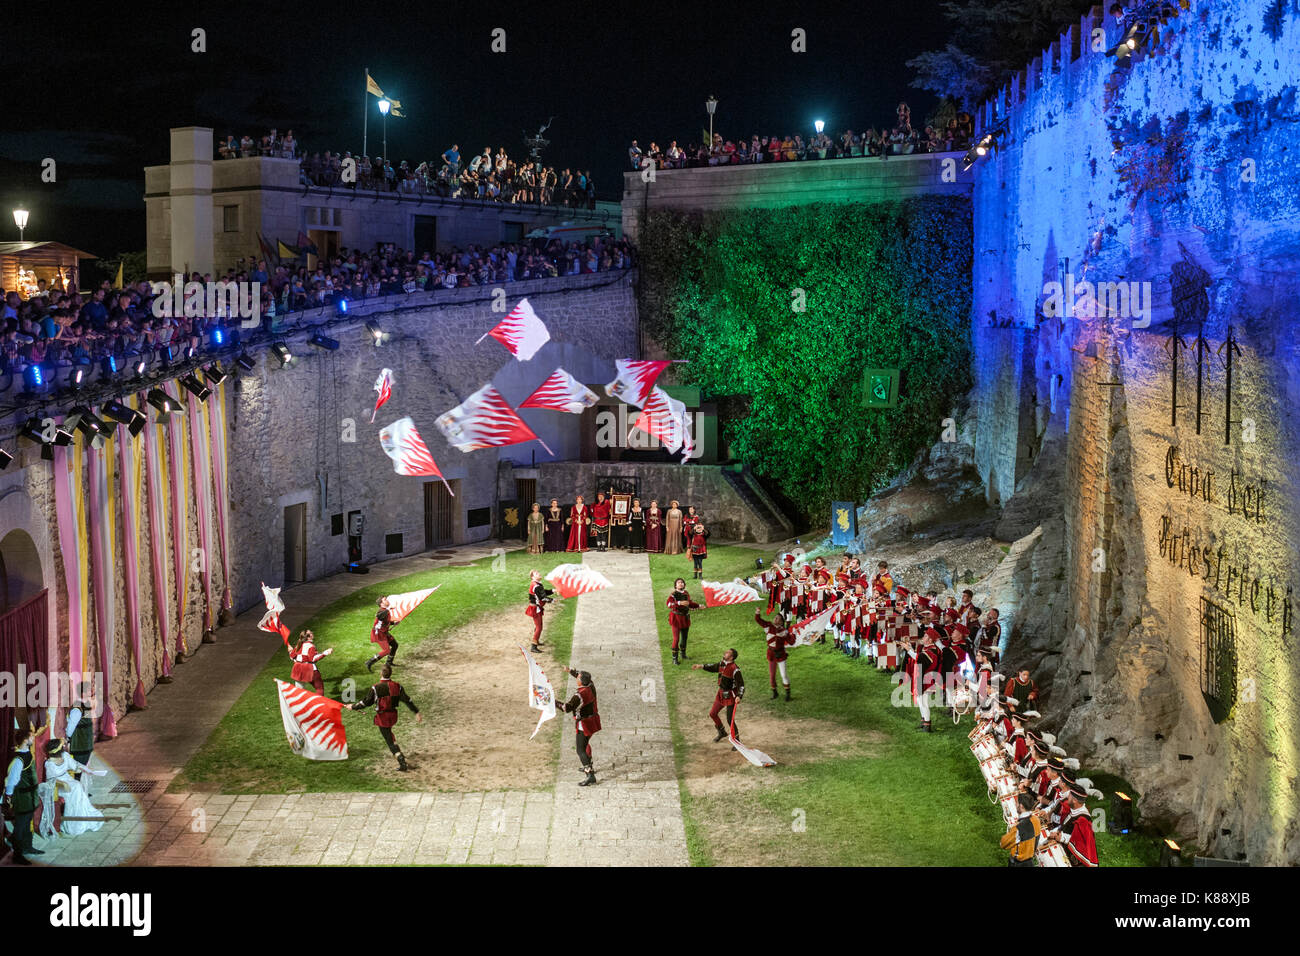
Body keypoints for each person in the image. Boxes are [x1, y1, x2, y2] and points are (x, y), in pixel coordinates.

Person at [348, 664, 422, 771]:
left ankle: (401, 761)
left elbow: (366, 703)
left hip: (383, 718)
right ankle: (400, 754)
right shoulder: (397, 686)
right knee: (390, 735)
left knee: (389, 740)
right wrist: (416, 712)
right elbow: (407, 700)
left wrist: (353, 706)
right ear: (390, 673)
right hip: (393, 716)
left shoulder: (376, 688)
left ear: (381, 673)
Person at [39, 739, 107, 837]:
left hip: (68, 780)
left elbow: (75, 765)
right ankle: (72, 825)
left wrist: (86, 769)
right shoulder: (49, 764)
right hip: (58, 786)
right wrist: (63, 784)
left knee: (77, 786)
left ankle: (83, 817)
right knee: (76, 788)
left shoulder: (65, 756)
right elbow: (51, 780)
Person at [2, 722, 45, 864]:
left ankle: (27, 846)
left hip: (30, 796)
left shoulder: (26, 754)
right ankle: (18, 854)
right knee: (21, 825)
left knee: (27, 823)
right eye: (32, 736)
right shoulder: (18, 760)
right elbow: (12, 781)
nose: (34, 739)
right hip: (22, 798)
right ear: (26, 740)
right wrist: (8, 797)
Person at [557, 667, 601, 786]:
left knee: (580, 749)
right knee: (585, 744)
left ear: (581, 681)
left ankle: (589, 774)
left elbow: (567, 708)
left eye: (578, 677)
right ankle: (589, 765)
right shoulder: (591, 685)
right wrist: (570, 671)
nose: (577, 677)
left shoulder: (580, 695)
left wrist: (553, 702)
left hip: (585, 724)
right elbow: (580, 676)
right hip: (593, 720)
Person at [694, 648, 745, 743]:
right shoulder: (722, 663)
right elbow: (714, 667)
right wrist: (701, 666)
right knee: (713, 714)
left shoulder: (735, 669)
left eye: (727, 653)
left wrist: (739, 696)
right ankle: (722, 732)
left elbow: (741, 685)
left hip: (731, 696)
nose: (725, 653)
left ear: (731, 657)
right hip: (721, 693)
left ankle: (737, 740)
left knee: (730, 720)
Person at [1047, 781, 1099, 866]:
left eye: (1069, 796)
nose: (1067, 797)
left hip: (1075, 860)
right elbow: (1065, 827)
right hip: (1065, 850)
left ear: (1074, 800)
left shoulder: (1083, 820)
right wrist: (1057, 832)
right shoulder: (1075, 810)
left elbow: (1081, 843)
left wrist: (1062, 838)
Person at [754, 611, 795, 700]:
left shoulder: (784, 631)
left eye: (777, 618)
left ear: (781, 622)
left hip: (781, 655)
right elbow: (758, 620)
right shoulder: (768, 626)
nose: (774, 619)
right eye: (775, 617)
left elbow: (791, 642)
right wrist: (757, 612)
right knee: (772, 676)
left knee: (783, 675)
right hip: (771, 654)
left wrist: (793, 634)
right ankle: (775, 692)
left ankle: (788, 694)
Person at [1000, 791, 1045, 866]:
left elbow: (1003, 844)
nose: (1015, 804)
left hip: (1018, 864)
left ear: (1021, 806)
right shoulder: (1036, 820)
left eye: (1016, 803)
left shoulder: (1018, 827)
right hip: (1030, 863)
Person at [64, 682, 97, 780]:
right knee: (79, 768)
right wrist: (68, 738)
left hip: (86, 742)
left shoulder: (85, 705)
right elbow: (71, 725)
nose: (90, 692)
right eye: (88, 690)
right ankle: (77, 790)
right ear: (82, 693)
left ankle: (83, 790)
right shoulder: (77, 708)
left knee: (85, 767)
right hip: (80, 743)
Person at [666, 577, 701, 665]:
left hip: (684, 618)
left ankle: (683, 655)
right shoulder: (673, 594)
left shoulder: (686, 593)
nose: (680, 584)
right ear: (675, 585)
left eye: (682, 582)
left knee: (684, 638)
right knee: (676, 639)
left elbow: (689, 603)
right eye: (678, 582)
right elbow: (669, 604)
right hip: (676, 618)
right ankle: (675, 659)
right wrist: (679, 603)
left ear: (684, 584)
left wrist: (698, 606)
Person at [288, 629, 333, 693]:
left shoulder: (298, 645)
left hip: (297, 669)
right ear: (308, 637)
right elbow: (313, 659)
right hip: (308, 669)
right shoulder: (311, 646)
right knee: (319, 688)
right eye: (311, 633)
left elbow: (292, 657)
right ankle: (319, 702)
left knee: (299, 692)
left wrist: (290, 651)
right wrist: (326, 652)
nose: (312, 633)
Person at [526, 569, 554, 652]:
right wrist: (552, 600)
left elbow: (543, 592)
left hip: (536, 608)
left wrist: (553, 591)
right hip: (535, 609)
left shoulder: (536, 584)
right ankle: (533, 646)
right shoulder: (536, 585)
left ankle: (536, 641)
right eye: (536, 573)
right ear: (532, 577)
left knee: (539, 626)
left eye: (538, 573)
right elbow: (543, 597)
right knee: (539, 627)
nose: (539, 574)